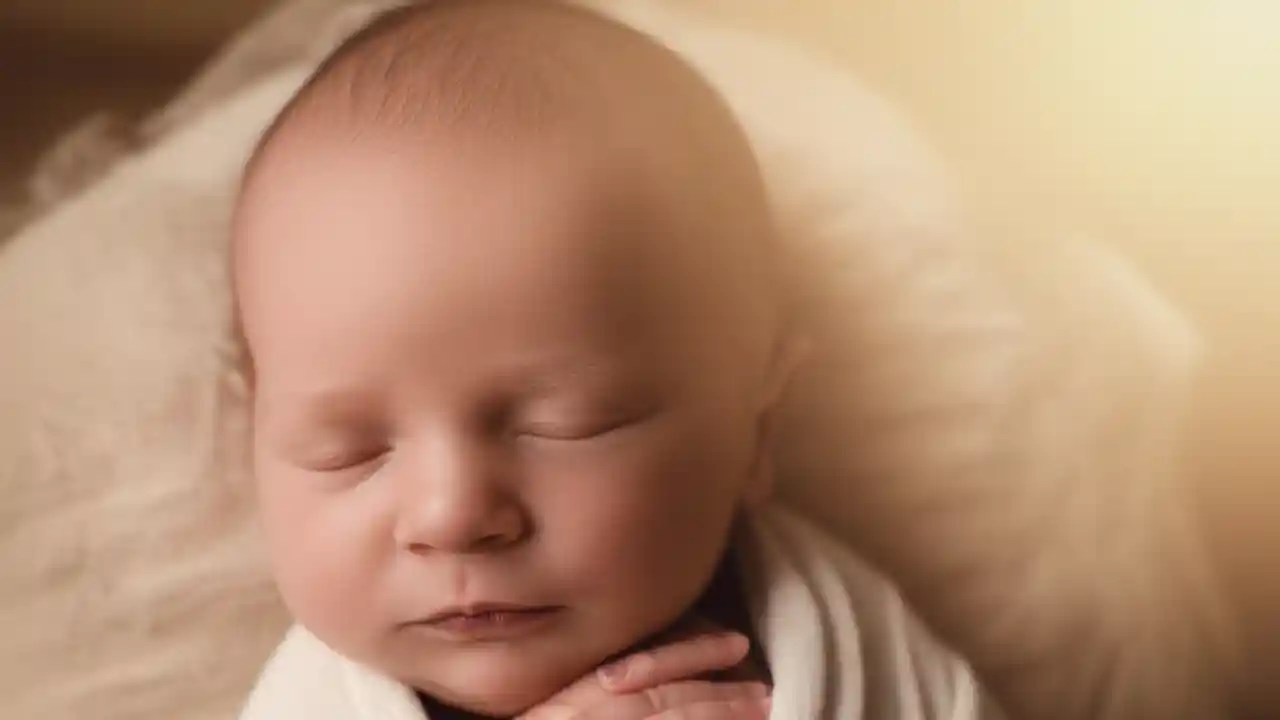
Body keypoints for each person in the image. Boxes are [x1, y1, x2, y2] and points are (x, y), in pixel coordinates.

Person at [232, 2, 988, 717]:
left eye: (569, 423)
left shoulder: (838, 629)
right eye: (346, 450)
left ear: (757, 429)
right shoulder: (314, 699)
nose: (452, 514)